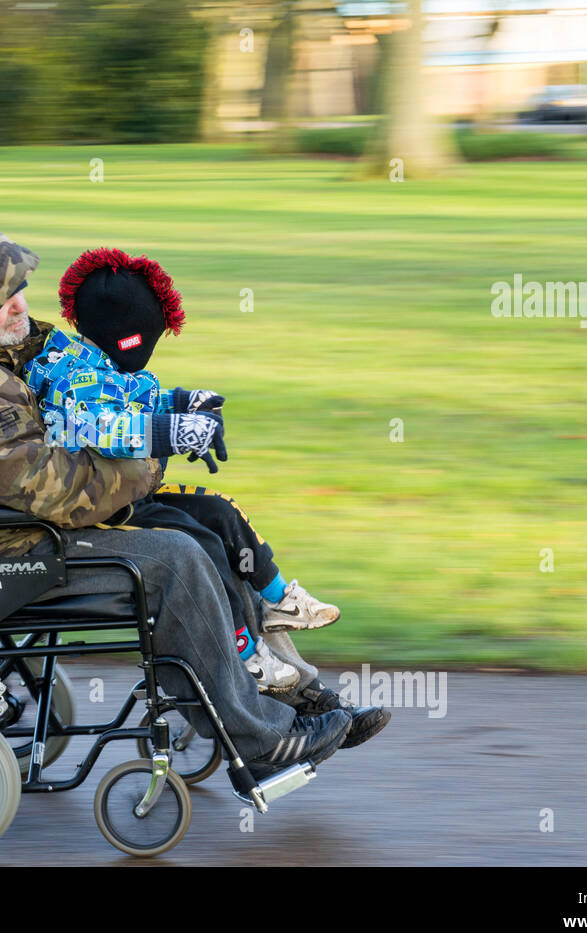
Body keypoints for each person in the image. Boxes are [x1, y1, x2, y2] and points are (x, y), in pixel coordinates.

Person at [0, 222, 352, 780]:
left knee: (208, 524)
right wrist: (157, 449)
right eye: (3, 298)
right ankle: (259, 739)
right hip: (2, 555)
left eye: (19, 291)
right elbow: (56, 491)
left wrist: (170, 407)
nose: (20, 307)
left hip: (20, 534)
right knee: (179, 559)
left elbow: (83, 371)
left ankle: (291, 697)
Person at [23, 246, 388, 748]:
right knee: (202, 549)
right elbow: (104, 426)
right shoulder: (73, 375)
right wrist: (172, 432)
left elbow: (133, 396)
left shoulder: (96, 364)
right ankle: (255, 674)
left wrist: (181, 403)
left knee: (219, 512)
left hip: (120, 493)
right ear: (126, 336)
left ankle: (297, 664)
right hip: (98, 508)